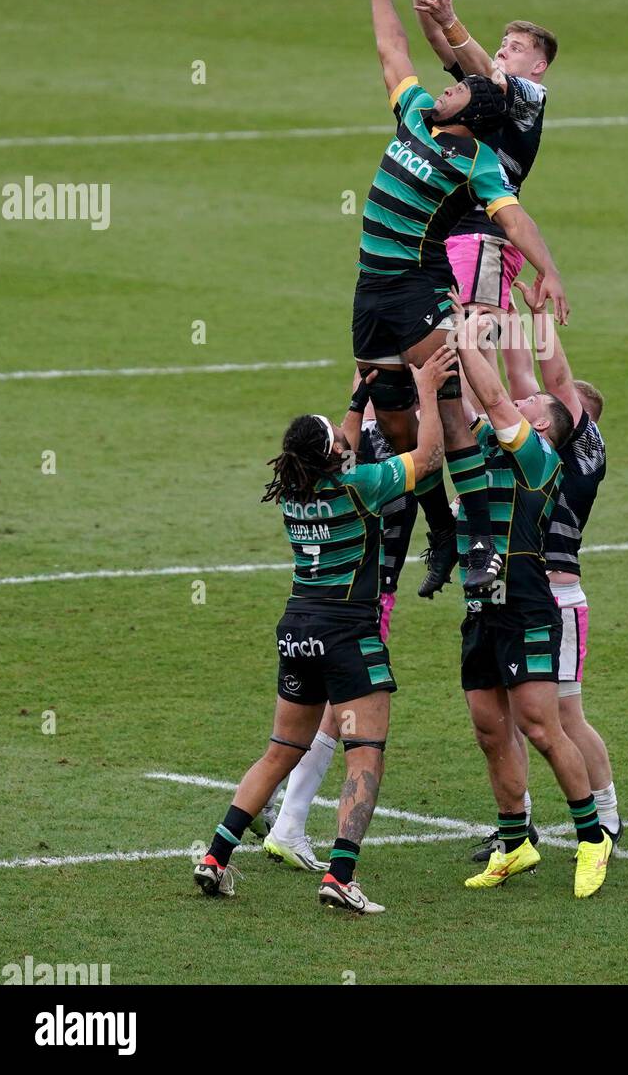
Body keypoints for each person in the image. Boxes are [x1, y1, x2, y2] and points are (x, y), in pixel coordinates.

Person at [345, 0, 568, 602]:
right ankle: (440, 527)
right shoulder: (415, 114)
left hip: (428, 276)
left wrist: (548, 268)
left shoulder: (484, 156)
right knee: (396, 422)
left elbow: (514, 218)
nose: (444, 90)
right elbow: (397, 55)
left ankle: (477, 535)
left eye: (457, 91)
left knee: (454, 396)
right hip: (370, 292)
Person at [193, 348, 452, 911]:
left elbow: (341, 447)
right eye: (336, 434)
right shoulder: (365, 486)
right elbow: (428, 456)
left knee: (279, 751)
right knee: (365, 754)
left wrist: (356, 398)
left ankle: (216, 855)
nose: (344, 434)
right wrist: (427, 389)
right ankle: (340, 876)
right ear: (334, 454)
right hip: (348, 637)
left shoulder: (294, 491)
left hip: (297, 632)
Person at [451, 300, 613, 899]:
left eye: (530, 405)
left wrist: (467, 335)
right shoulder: (490, 447)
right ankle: (514, 841)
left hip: (525, 604)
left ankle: (592, 836)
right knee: (490, 730)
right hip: (482, 602)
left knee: (544, 729)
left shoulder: (536, 456)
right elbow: (466, 407)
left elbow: (494, 397)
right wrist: (437, 358)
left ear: (541, 427)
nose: (521, 399)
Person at [400, 0, 553, 482]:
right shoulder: (485, 91)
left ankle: (480, 437)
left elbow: (480, 65)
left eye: (515, 48)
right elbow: (448, 52)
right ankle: (464, 429)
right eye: (504, 44)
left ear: (537, 68)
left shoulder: (530, 99)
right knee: (456, 329)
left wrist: (452, 17)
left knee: (473, 331)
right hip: (453, 228)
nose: (504, 51)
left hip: (487, 231)